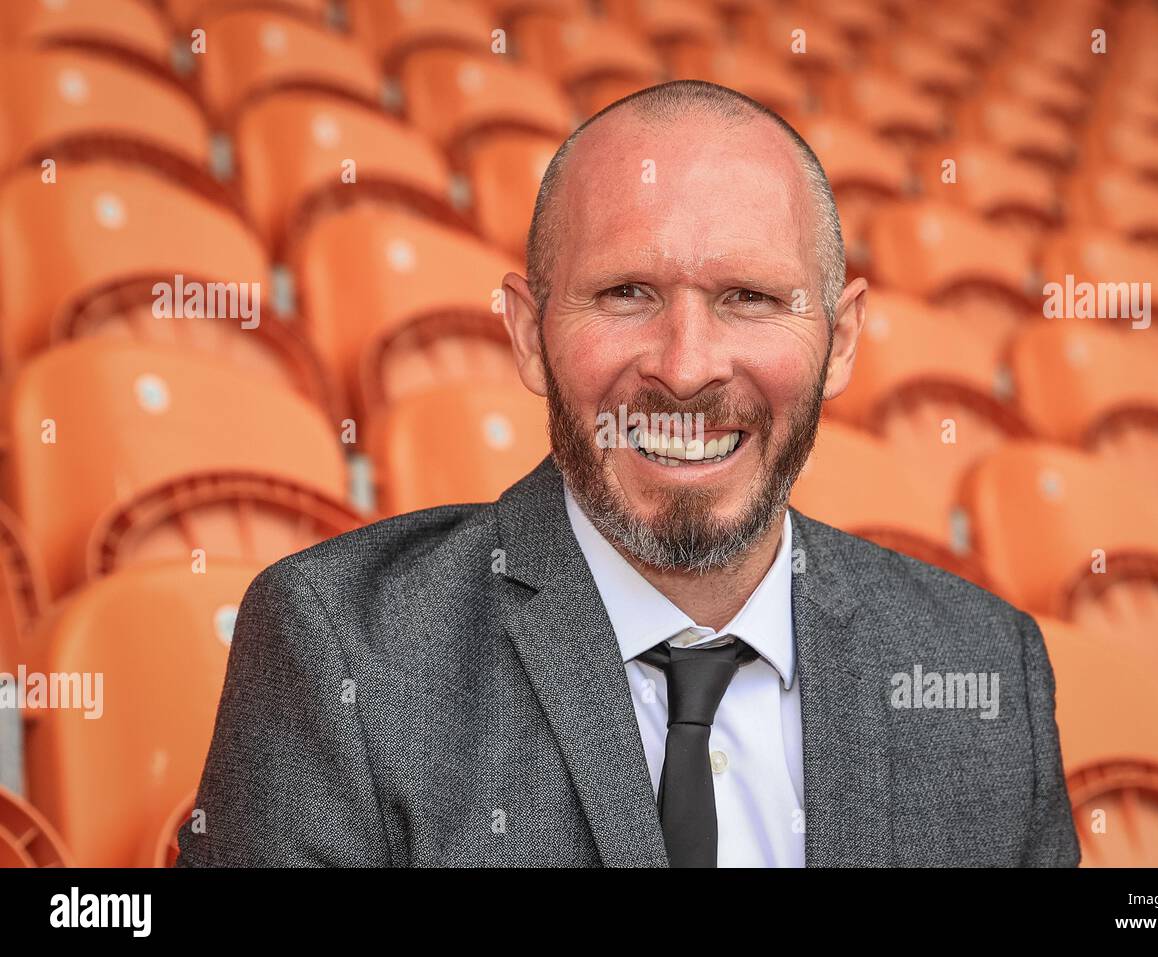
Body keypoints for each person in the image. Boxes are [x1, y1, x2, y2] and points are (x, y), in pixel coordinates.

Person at [178, 80, 1080, 868]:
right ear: (529, 333)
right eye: (626, 293)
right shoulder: (344, 649)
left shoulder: (984, 669)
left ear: (840, 342)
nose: (686, 368)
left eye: (750, 298)